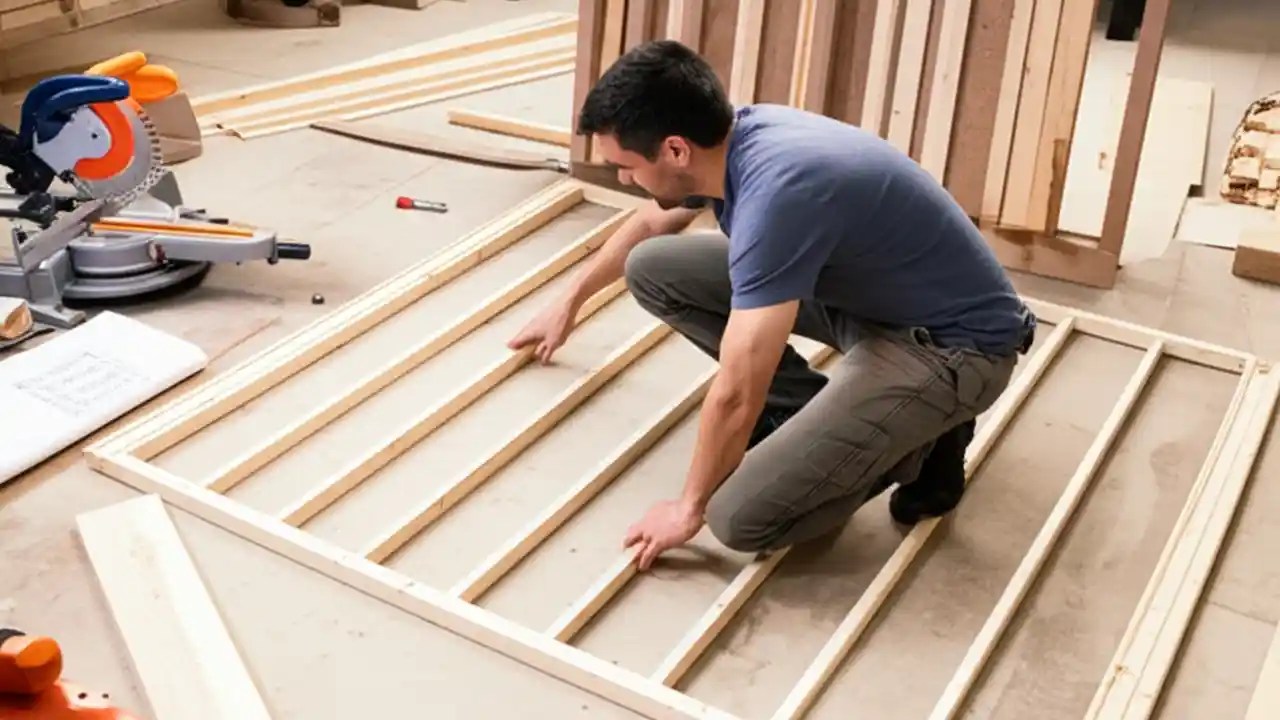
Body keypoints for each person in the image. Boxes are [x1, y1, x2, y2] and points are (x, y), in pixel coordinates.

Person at [507, 40, 1036, 571]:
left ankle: (920, 441)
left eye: (625, 166)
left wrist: (689, 508)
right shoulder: (732, 139)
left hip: (955, 349)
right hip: (879, 299)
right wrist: (569, 301)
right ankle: (823, 416)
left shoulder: (778, 197)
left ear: (674, 150)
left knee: (739, 517)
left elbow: (738, 391)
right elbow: (651, 221)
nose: (623, 179)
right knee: (652, 267)